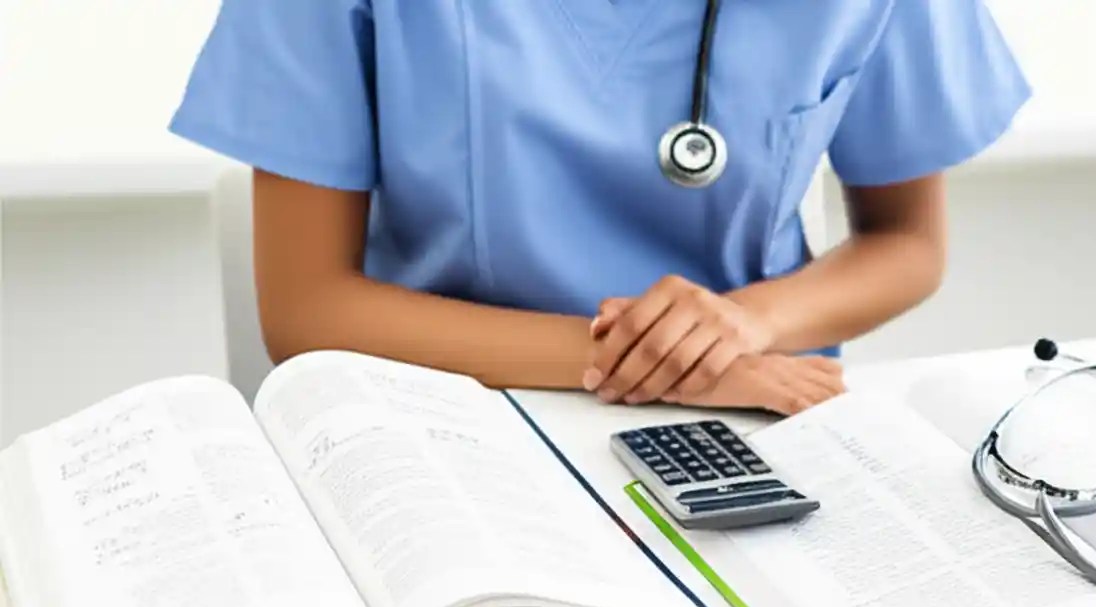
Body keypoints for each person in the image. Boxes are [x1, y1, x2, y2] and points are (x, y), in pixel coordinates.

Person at [169, 0, 1029, 416]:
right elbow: (307, 308)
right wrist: (685, 363)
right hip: (442, 410)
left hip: (760, 415)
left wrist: (743, 325)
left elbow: (908, 241)